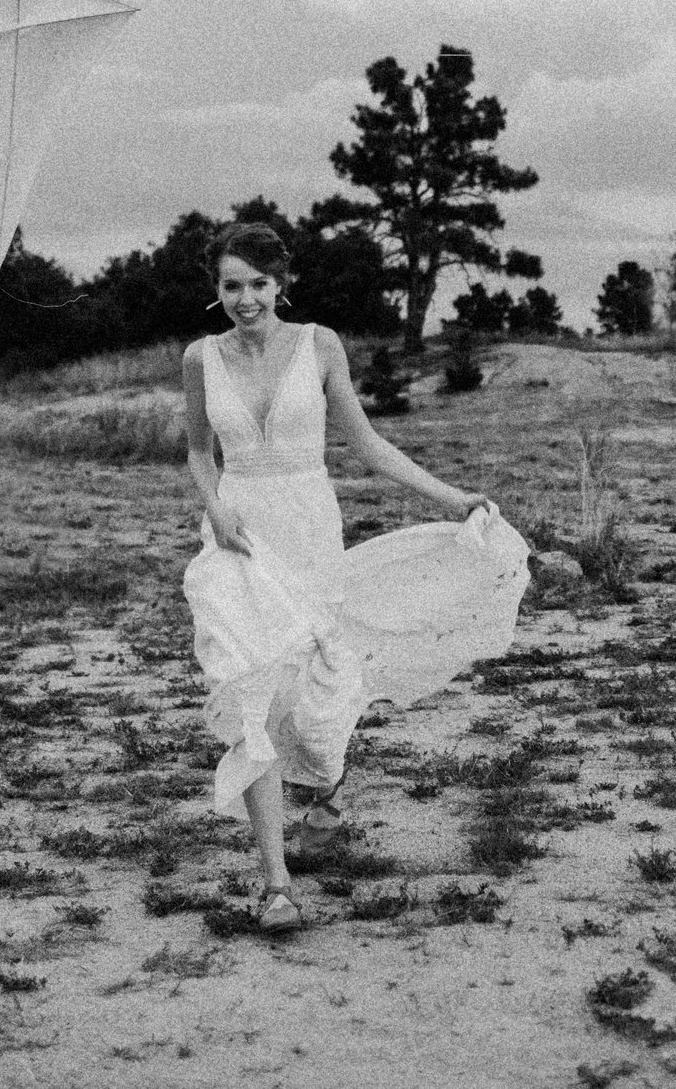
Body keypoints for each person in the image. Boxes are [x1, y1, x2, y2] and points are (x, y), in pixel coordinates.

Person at [181, 222, 500, 931]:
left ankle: (326, 792)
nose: (245, 299)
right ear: (216, 290)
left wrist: (452, 498)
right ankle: (276, 884)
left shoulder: (320, 345)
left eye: (259, 284)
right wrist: (216, 505)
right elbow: (200, 451)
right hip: (238, 539)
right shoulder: (200, 357)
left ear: (281, 284)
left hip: (308, 531)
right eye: (231, 286)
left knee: (318, 700)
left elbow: (367, 443)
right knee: (253, 693)